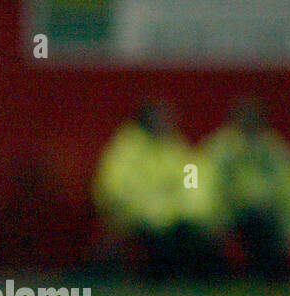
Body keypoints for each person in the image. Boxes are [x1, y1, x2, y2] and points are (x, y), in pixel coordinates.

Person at [92, 100, 223, 283]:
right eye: (162, 118)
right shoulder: (127, 148)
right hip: (140, 218)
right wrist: (144, 211)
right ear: (146, 121)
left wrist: (196, 211)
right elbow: (114, 187)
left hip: (175, 218)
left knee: (196, 237)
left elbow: (192, 178)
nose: (168, 122)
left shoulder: (175, 146)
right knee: (164, 241)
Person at [200, 99, 290, 281]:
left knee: (263, 226)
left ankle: (269, 279)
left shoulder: (276, 151)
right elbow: (207, 186)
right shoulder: (220, 149)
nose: (249, 124)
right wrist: (211, 220)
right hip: (230, 215)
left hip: (268, 216)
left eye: (254, 120)